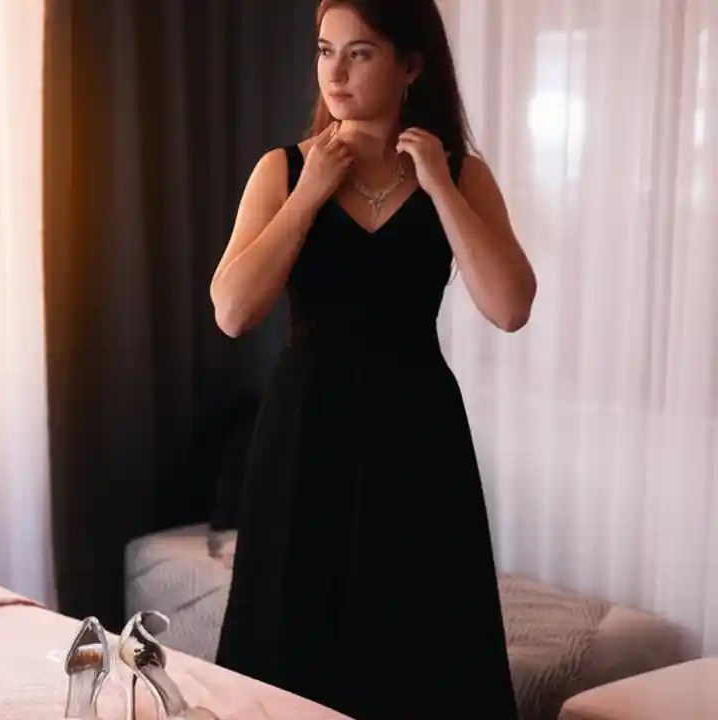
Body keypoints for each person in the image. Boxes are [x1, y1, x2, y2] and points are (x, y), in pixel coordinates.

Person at [208, 0, 535, 717]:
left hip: (418, 434)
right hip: (306, 431)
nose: (335, 72)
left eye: (359, 53)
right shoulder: (282, 168)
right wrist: (308, 196)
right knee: (293, 629)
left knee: (421, 638)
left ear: (411, 65)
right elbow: (232, 311)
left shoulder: (460, 174)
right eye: (326, 51)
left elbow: (510, 306)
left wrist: (441, 186)